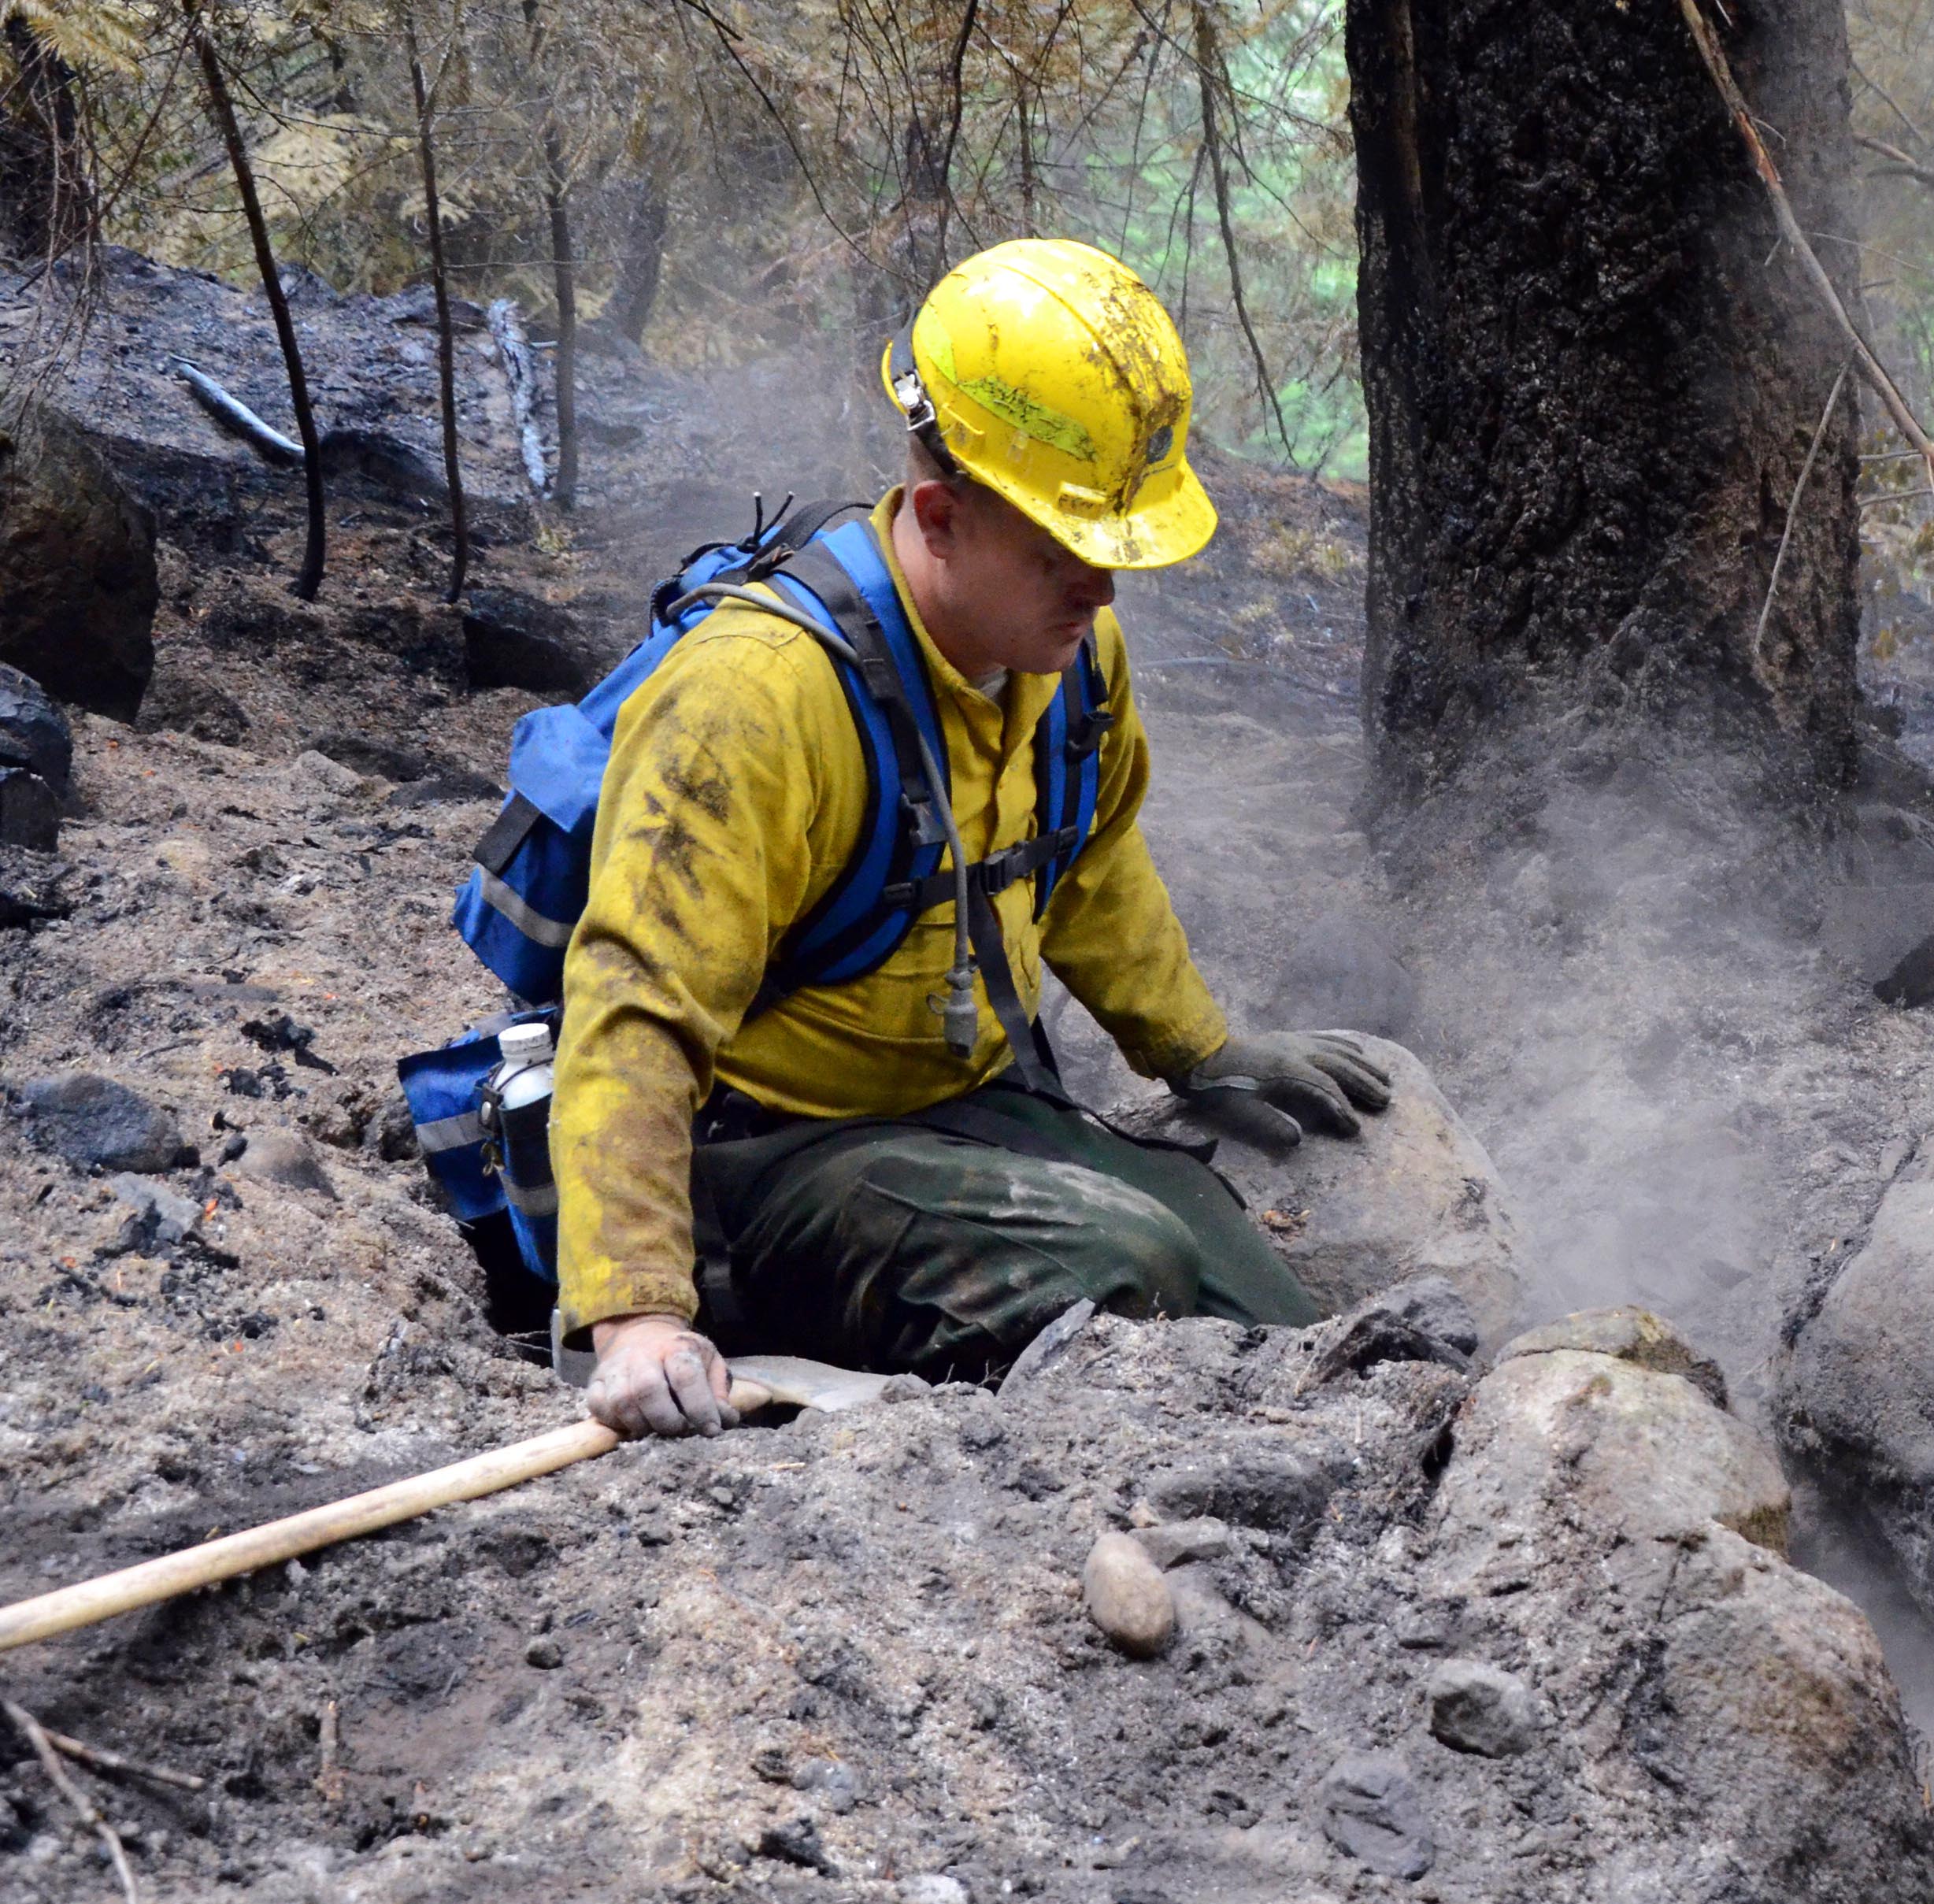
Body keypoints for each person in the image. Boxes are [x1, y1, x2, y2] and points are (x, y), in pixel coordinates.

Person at [553, 239, 1391, 1440]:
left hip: (965, 1108)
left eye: (1112, 557)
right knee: (1123, 1260)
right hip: (767, 1162)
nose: (1101, 595)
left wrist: (1199, 1050)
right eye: (1066, 556)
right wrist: (634, 1313)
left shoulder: (1064, 654)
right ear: (940, 519)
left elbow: (1088, 860)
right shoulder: (755, 697)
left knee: (1259, 1306)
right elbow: (633, 1004)